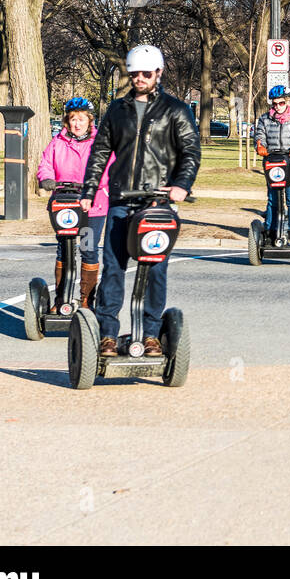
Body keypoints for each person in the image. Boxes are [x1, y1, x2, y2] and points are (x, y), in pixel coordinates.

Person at [80, 45, 200, 359]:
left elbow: (190, 152)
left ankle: (150, 334)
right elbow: (99, 154)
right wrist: (89, 192)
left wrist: (181, 186)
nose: (140, 79)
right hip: (121, 199)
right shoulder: (117, 110)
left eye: (146, 74)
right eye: (135, 74)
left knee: (155, 270)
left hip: (158, 202)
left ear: (158, 73)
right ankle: (107, 334)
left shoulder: (176, 110)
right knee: (114, 267)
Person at [36, 97, 114, 310]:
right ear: (66, 121)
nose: (77, 124)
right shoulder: (57, 142)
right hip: (63, 204)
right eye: (72, 119)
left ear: (90, 121)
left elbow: (110, 168)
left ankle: (86, 300)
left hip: (93, 206)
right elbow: (45, 164)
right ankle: (61, 299)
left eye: (81, 119)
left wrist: (96, 184)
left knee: (88, 249)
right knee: (64, 250)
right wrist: (47, 179)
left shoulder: (101, 142)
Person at [253, 84, 290, 234]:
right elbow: (259, 136)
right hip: (272, 162)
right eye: (275, 103)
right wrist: (260, 146)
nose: (278, 106)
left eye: (281, 103)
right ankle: (270, 229)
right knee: (272, 198)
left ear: (287, 102)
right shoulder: (265, 119)